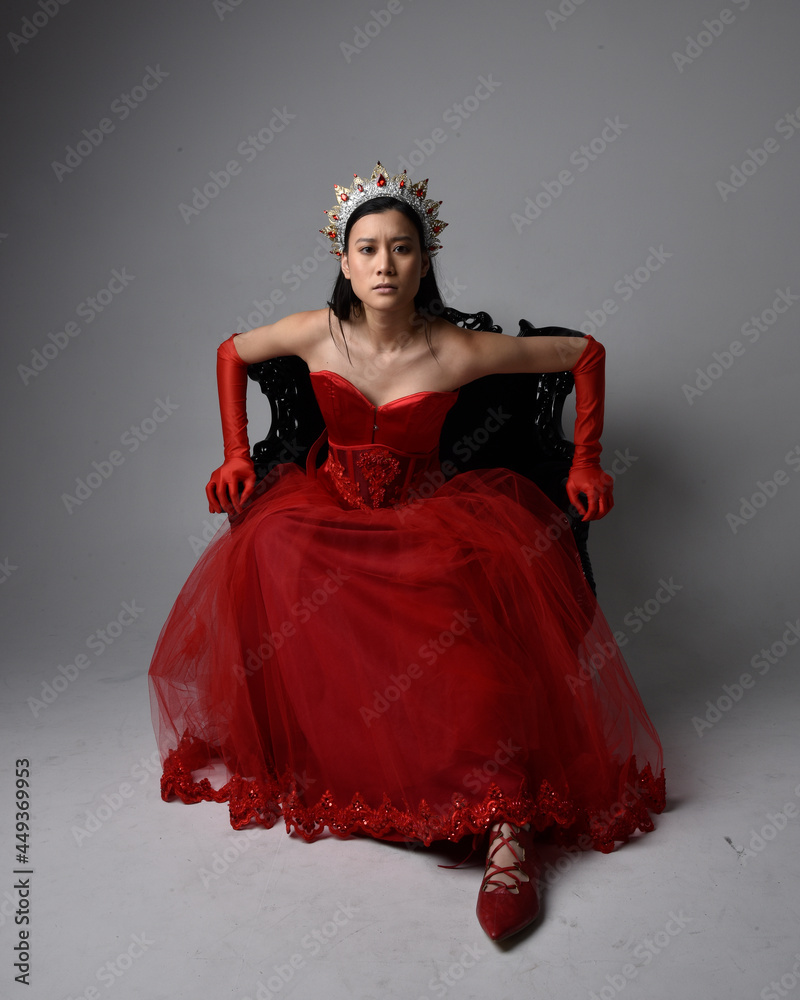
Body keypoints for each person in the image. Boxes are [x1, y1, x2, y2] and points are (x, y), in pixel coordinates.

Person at [148, 162, 665, 943]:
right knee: (275, 543)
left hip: (426, 517)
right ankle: (356, 757)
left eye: (400, 249)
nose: (384, 265)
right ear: (344, 262)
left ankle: (503, 822)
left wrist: (586, 459)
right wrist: (234, 456)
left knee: (453, 601)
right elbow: (231, 351)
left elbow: (582, 354)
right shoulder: (313, 333)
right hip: (325, 514)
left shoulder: (456, 348)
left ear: (424, 262)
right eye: (367, 249)